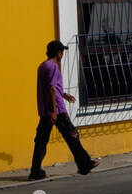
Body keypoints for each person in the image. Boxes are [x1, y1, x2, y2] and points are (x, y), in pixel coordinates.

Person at [30, 40, 99, 179]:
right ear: (58, 53)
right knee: (73, 136)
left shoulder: (42, 66)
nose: (62, 54)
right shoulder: (54, 66)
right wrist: (55, 110)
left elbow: (51, 88)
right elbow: (51, 89)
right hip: (58, 111)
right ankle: (84, 164)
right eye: (62, 51)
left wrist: (64, 94)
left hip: (44, 111)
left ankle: (35, 172)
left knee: (41, 141)